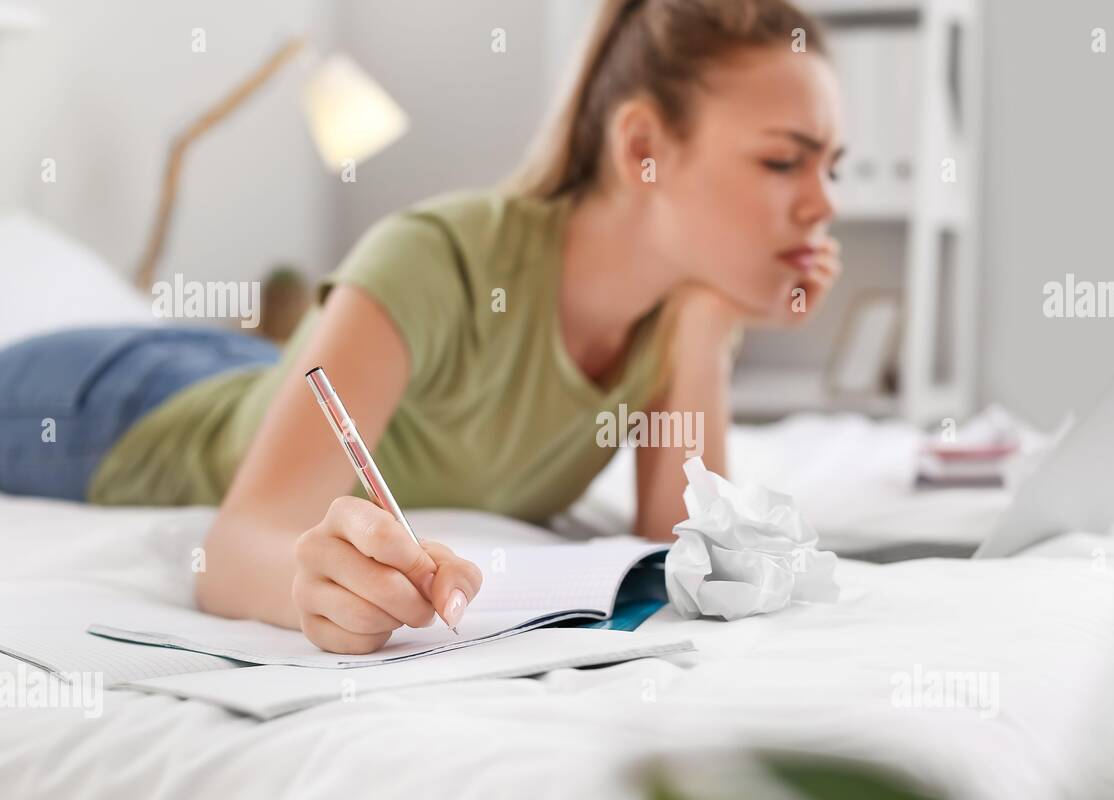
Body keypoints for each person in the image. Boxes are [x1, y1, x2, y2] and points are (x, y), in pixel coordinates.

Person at [0, 0, 843, 653]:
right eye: (783, 160)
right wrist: (306, 588)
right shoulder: (435, 261)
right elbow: (235, 545)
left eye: (830, 167)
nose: (824, 205)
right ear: (642, 145)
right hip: (118, 404)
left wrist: (705, 327)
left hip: (245, 375)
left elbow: (673, 547)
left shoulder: (673, 310)